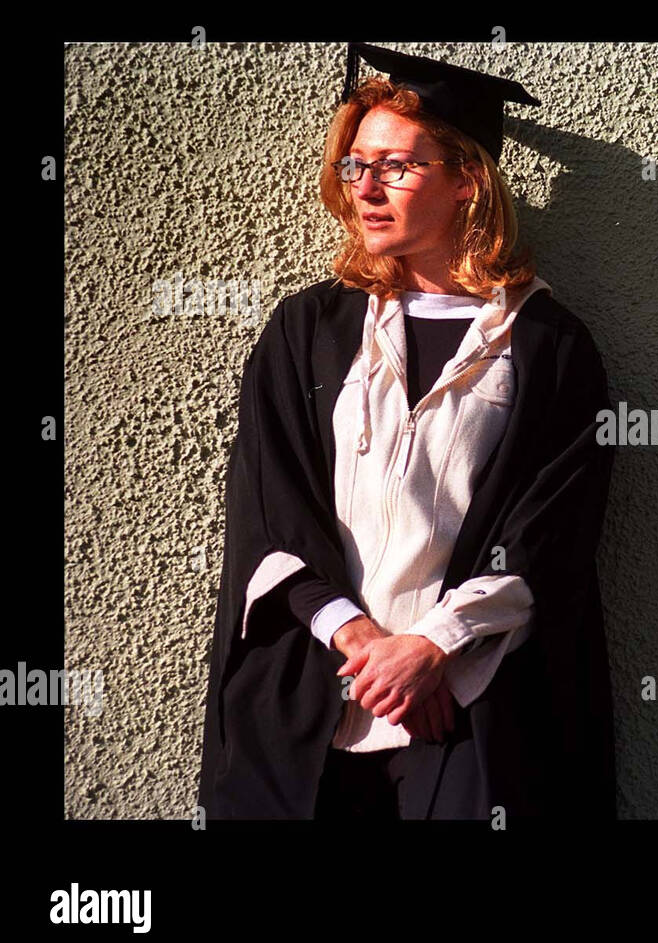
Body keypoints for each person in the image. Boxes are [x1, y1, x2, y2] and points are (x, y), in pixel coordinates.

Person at [197, 42, 617, 820]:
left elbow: (550, 534)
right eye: (356, 166)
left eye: (396, 166)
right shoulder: (309, 330)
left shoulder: (548, 346)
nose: (367, 188)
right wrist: (368, 649)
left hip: (474, 706)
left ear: (467, 180)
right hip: (315, 688)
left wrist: (433, 650)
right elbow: (269, 505)